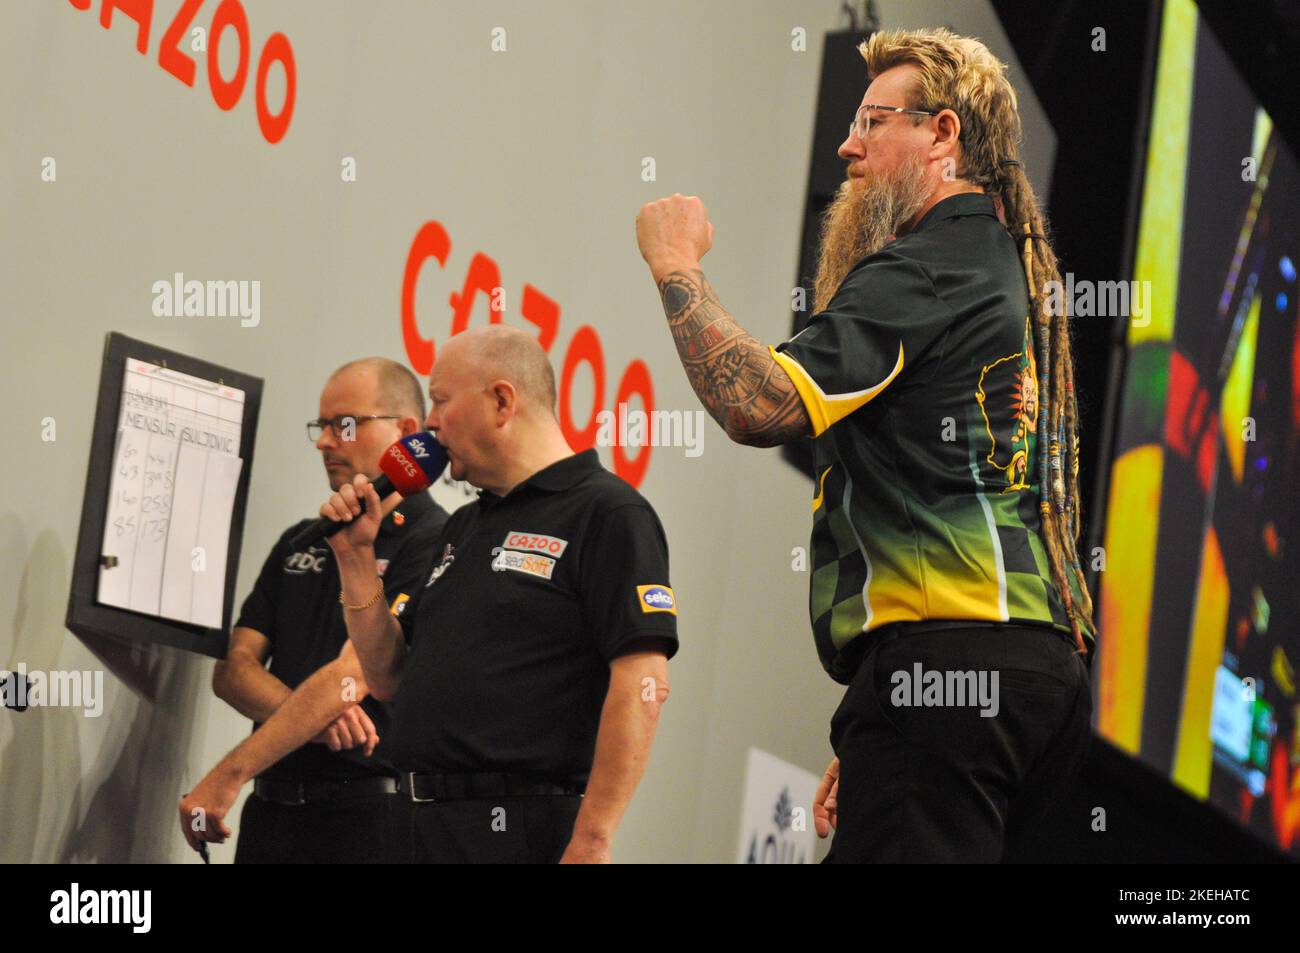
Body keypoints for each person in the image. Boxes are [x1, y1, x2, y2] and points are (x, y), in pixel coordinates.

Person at [635, 27, 1096, 863]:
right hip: (1032, 680)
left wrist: (675, 267)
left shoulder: (932, 263)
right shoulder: (1007, 272)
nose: (848, 146)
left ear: (942, 134)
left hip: (950, 658)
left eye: (873, 121)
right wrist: (899, 716)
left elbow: (764, 406)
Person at [320, 325, 677, 863]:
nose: (431, 422)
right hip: (412, 823)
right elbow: (389, 678)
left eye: (440, 399)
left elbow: (642, 681)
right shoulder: (464, 523)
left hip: (512, 830)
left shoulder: (607, 513)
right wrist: (355, 559)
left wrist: (594, 837)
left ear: (502, 401)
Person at [180, 357, 449, 863]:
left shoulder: (437, 543)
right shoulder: (301, 541)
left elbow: (355, 673)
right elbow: (234, 669)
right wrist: (312, 718)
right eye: (321, 426)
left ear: (406, 432)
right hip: (273, 816)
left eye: (345, 424)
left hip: (366, 823)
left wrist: (227, 775)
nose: (326, 441)